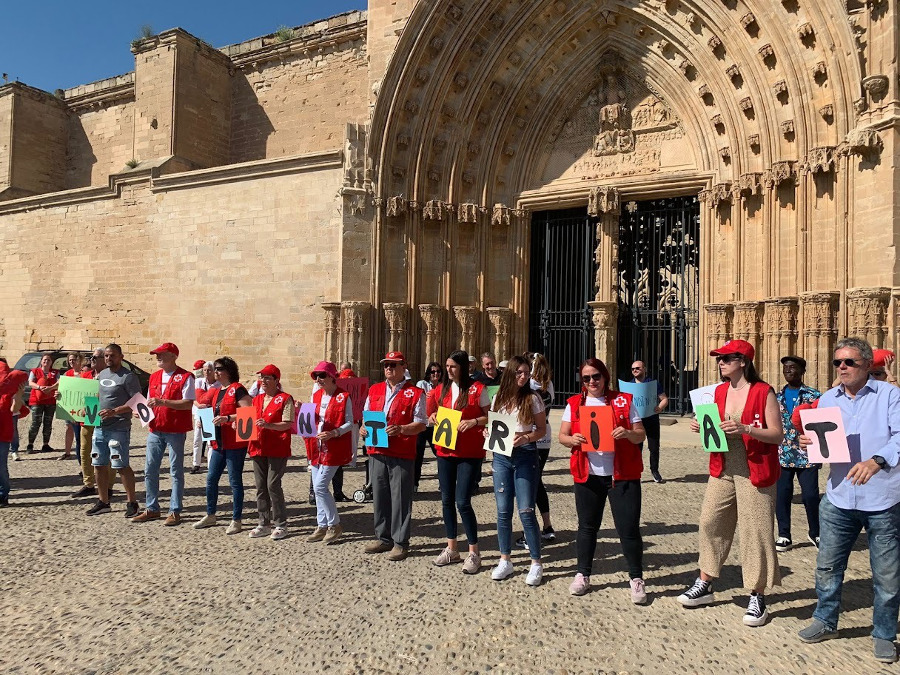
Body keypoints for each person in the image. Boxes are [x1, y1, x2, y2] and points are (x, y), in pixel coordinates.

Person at [797, 338, 900, 664]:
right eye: (837, 363)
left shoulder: (889, 396)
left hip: (882, 498)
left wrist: (877, 461)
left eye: (849, 362)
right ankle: (825, 620)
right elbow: (822, 445)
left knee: (886, 575)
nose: (841, 367)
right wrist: (807, 443)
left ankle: (884, 634)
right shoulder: (828, 398)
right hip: (839, 496)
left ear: (867, 365)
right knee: (827, 566)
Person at [678, 339, 783, 627]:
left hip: (755, 468)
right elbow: (712, 429)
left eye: (726, 358)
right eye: (719, 358)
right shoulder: (719, 391)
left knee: (756, 530)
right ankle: (706, 581)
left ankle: (757, 595)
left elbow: (777, 435)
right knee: (711, 520)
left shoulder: (763, 392)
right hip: (723, 466)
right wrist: (701, 426)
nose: (720, 362)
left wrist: (747, 428)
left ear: (743, 361)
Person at [558, 358, 648, 602]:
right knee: (587, 527)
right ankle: (582, 574)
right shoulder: (575, 403)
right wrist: (572, 439)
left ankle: (636, 578)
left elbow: (641, 434)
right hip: (588, 474)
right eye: (586, 378)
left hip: (621, 474)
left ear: (605, 376)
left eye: (595, 376)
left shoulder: (623, 400)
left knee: (628, 528)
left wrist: (628, 433)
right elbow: (562, 436)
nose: (591, 382)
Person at [359, 351, 426, 561]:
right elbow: (366, 415)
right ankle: (383, 537)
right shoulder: (375, 389)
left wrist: (402, 429)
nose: (388, 368)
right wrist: (363, 428)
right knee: (380, 495)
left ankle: (400, 542)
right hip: (377, 450)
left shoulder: (415, 393)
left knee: (400, 498)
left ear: (403, 367)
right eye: (386, 364)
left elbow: (421, 423)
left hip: (401, 451)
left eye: (393, 365)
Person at [486, 355, 547, 586]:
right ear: (510, 373)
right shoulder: (498, 399)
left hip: (524, 456)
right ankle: (505, 559)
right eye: (519, 372)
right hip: (501, 456)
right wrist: (488, 433)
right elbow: (495, 427)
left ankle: (536, 562)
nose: (524, 376)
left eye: (526, 372)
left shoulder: (532, 398)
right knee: (502, 511)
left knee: (526, 510)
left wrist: (526, 438)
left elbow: (541, 429)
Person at [431, 350, 490, 574]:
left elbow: (490, 416)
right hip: (445, 449)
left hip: (469, 452)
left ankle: (474, 552)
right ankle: (451, 548)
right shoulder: (442, 389)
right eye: (447, 366)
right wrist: (433, 417)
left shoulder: (478, 389)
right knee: (446, 500)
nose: (448, 370)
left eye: (453, 366)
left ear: (463, 367)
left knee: (463, 501)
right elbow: (433, 415)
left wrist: (474, 421)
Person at [131, 343, 195, 526]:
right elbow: (150, 402)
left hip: (175, 429)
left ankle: (175, 510)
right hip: (155, 428)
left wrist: (164, 402)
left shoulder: (185, 377)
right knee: (150, 469)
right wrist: (140, 412)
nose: (157, 357)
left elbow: (188, 403)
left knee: (176, 471)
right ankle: (152, 508)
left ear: (173, 356)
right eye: (156, 354)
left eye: (161, 354)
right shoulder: (154, 377)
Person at [194, 357, 252, 534]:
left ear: (228, 371)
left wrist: (228, 419)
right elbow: (205, 406)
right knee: (211, 479)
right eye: (215, 369)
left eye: (219, 369)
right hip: (218, 443)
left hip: (234, 443)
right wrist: (204, 422)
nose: (215, 372)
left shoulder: (238, 389)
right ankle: (211, 514)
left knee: (235, 481)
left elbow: (248, 413)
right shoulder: (217, 390)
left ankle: (237, 519)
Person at [86, 344, 142, 517]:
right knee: (98, 464)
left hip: (119, 427)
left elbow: (138, 400)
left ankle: (132, 502)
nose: (109, 359)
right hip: (100, 427)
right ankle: (103, 501)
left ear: (121, 357)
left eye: (112, 356)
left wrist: (115, 411)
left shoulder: (128, 377)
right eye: (107, 356)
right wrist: (87, 410)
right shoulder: (102, 374)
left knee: (121, 465)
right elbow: (97, 396)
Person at [774, 356, 822, 551]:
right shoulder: (776, 397)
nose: (789, 371)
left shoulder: (814, 395)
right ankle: (784, 534)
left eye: (793, 368)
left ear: (802, 371)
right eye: (786, 368)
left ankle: (816, 532)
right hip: (783, 453)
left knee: (810, 495)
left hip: (807, 453)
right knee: (782, 495)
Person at [305, 361, 353, 544]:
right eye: (316, 375)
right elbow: (312, 419)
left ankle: (335, 524)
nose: (318, 379)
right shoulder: (316, 395)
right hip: (316, 447)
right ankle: (322, 525)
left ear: (332, 377)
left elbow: (350, 422)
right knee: (318, 489)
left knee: (319, 486)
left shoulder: (343, 396)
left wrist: (334, 432)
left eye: (322, 375)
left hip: (333, 448)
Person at [247, 364, 295, 541]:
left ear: (276, 380)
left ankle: (281, 524)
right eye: (262, 377)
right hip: (258, 446)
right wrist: (237, 423)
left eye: (268, 378)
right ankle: (263, 522)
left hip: (277, 447)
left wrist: (268, 425)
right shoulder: (257, 399)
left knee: (272, 484)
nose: (263, 381)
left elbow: (288, 423)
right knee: (260, 486)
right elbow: (249, 419)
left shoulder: (285, 399)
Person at [516, 353, 556, 548]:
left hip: (530, 437)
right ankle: (547, 526)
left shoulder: (529, 387)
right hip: (544, 437)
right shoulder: (548, 385)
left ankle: (528, 532)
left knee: (529, 485)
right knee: (537, 482)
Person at [70, 349, 109, 499]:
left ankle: (108, 486)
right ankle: (88, 484)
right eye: (90, 357)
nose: (91, 359)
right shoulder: (86, 376)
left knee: (105, 451)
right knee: (85, 450)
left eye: (95, 357)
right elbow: (76, 395)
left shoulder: (109, 376)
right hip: (89, 414)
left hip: (104, 413)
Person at [630, 360, 668, 483]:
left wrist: (660, 407)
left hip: (651, 419)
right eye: (633, 369)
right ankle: (636, 472)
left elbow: (664, 399)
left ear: (644, 369)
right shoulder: (629, 385)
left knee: (654, 447)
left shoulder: (652, 383)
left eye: (638, 368)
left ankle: (655, 471)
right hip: (637, 421)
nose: (635, 370)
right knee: (636, 448)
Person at [0, 360, 29, 506]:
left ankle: (3, 494)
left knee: (1, 466)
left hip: (3, 432)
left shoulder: (9, 386)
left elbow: (14, 409)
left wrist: (18, 394)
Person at [414, 361, 442, 490]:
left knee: (441, 455)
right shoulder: (422, 384)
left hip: (437, 425)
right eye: (432, 372)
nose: (435, 374)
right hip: (423, 424)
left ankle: (443, 483)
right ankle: (414, 483)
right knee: (418, 455)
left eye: (438, 371)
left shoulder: (444, 386)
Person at [26, 352, 59, 454]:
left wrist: (50, 388)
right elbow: (31, 383)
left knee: (48, 423)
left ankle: (45, 444)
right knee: (36, 422)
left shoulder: (55, 372)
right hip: (37, 400)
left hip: (50, 401)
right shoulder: (35, 371)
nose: (46, 361)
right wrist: (40, 387)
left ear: (51, 362)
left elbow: (59, 382)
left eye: (48, 360)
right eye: (44, 360)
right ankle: (30, 444)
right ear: (41, 361)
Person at [191, 361, 218, 473]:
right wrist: (198, 405)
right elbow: (192, 397)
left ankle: (210, 465)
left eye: (209, 370)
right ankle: (196, 463)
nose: (207, 372)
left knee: (210, 441)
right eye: (205, 370)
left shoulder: (218, 385)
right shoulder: (199, 382)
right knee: (197, 439)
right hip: (199, 412)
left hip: (211, 413)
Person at [59, 352, 84, 460]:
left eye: (73, 359)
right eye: (70, 360)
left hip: (83, 409)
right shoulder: (67, 374)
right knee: (71, 430)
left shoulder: (85, 373)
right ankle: (69, 453)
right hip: (71, 408)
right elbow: (61, 388)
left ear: (79, 360)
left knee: (83, 437)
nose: (71, 362)